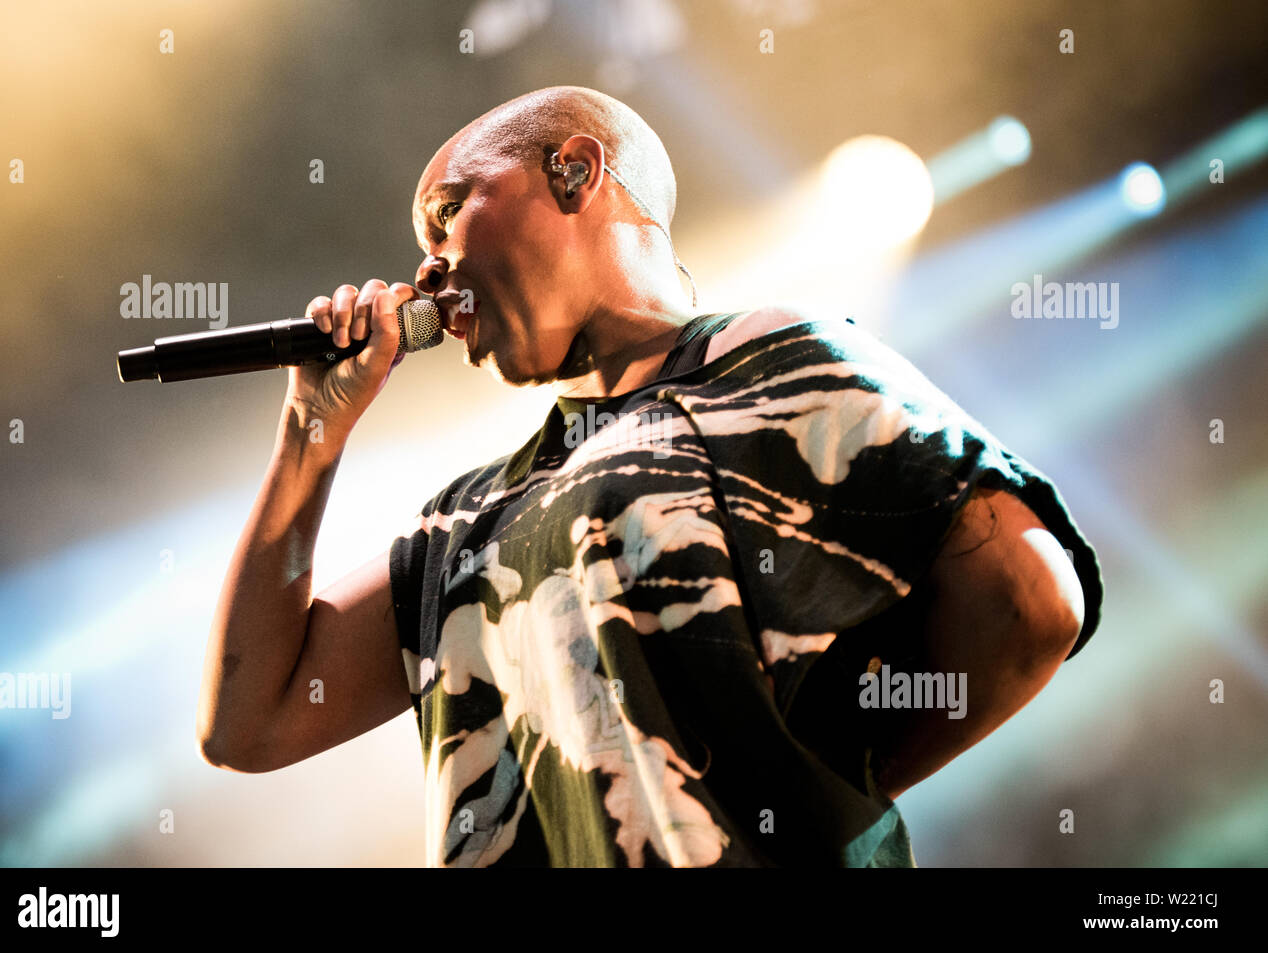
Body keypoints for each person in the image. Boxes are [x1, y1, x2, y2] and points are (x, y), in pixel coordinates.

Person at [195, 86, 1104, 867]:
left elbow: (1026, 602)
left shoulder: (765, 358)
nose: (426, 266)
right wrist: (310, 429)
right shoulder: (463, 518)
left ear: (574, 170)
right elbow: (249, 719)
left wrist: (817, 799)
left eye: (447, 211)